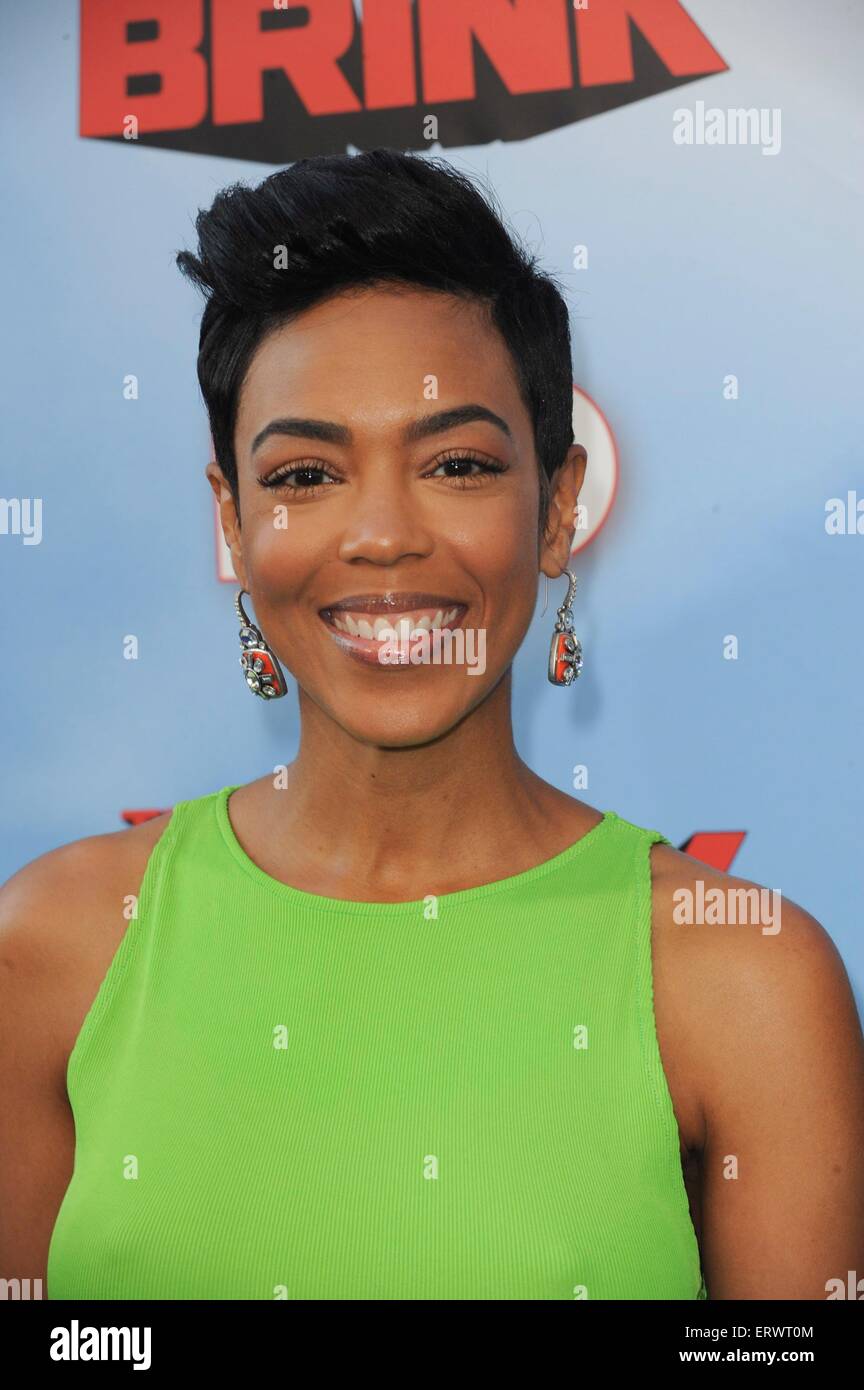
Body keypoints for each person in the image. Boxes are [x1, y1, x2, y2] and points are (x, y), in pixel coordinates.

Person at [2, 150, 862, 1301]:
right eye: (305, 473)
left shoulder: (738, 973)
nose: (381, 537)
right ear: (234, 520)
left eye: (456, 463)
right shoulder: (54, 944)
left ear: (558, 508)